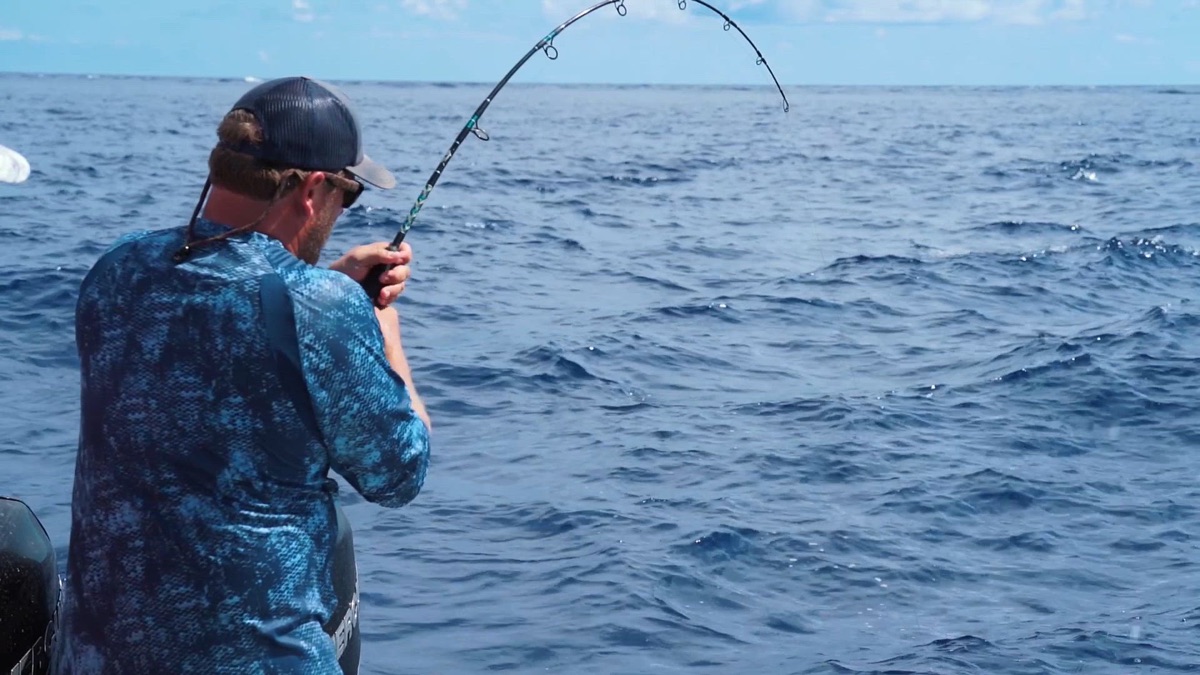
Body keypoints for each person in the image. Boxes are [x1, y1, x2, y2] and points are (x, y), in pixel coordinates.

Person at [51, 76, 432, 674]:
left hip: (96, 655)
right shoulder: (320, 308)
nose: (343, 210)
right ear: (312, 188)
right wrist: (381, 334)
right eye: (349, 193)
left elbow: (207, 349)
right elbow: (400, 473)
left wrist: (325, 286)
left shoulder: (117, 269)